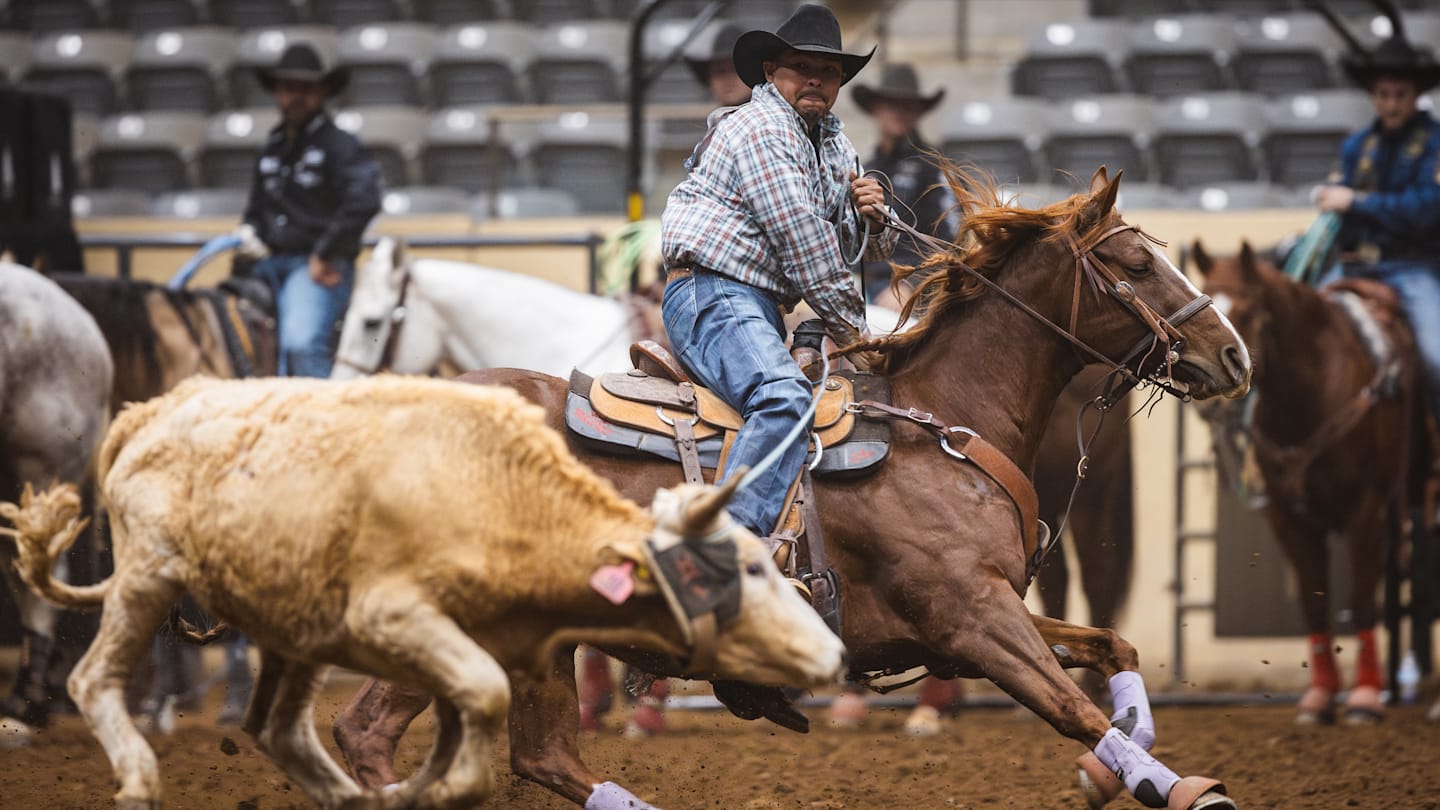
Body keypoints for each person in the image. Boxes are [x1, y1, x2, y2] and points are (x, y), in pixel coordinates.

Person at [660, 3, 893, 548]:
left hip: (753, 301)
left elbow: (851, 244)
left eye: (829, 70)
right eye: (799, 66)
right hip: (711, 291)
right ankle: (722, 553)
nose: (815, 78)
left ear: (839, 82)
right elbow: (804, 243)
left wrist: (872, 218)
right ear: (770, 72)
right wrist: (859, 336)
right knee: (783, 396)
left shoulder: (834, 145)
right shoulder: (761, 128)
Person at [1315, 17, 1440, 430]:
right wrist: (1333, 203)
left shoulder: (1435, 144)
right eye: (1383, 94)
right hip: (1353, 265)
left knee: (1437, 357)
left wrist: (1356, 201)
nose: (1391, 104)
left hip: (1411, 268)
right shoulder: (1357, 146)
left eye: (1400, 94)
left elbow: (1426, 209)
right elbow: (1344, 201)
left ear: (1415, 95)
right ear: (1373, 95)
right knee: (1299, 329)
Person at [239, 41, 382, 379]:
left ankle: (317, 424)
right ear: (276, 91)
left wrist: (325, 253)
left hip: (315, 266)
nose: (296, 96)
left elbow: (365, 200)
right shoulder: (271, 147)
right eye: (288, 87)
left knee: (301, 345)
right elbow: (256, 209)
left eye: (306, 88)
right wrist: (248, 234)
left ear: (322, 93)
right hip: (266, 265)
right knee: (221, 330)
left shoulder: (340, 145)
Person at [850, 62, 961, 307]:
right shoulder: (865, 168)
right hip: (867, 281)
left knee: (894, 302)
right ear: (876, 109)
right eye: (891, 104)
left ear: (918, 112)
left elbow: (952, 240)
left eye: (907, 106)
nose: (899, 112)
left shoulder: (934, 166)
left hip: (917, 281)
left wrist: (916, 281)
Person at [683, 20, 752, 108]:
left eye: (736, 71)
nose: (728, 80)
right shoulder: (713, 120)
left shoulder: (769, 119)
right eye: (720, 72)